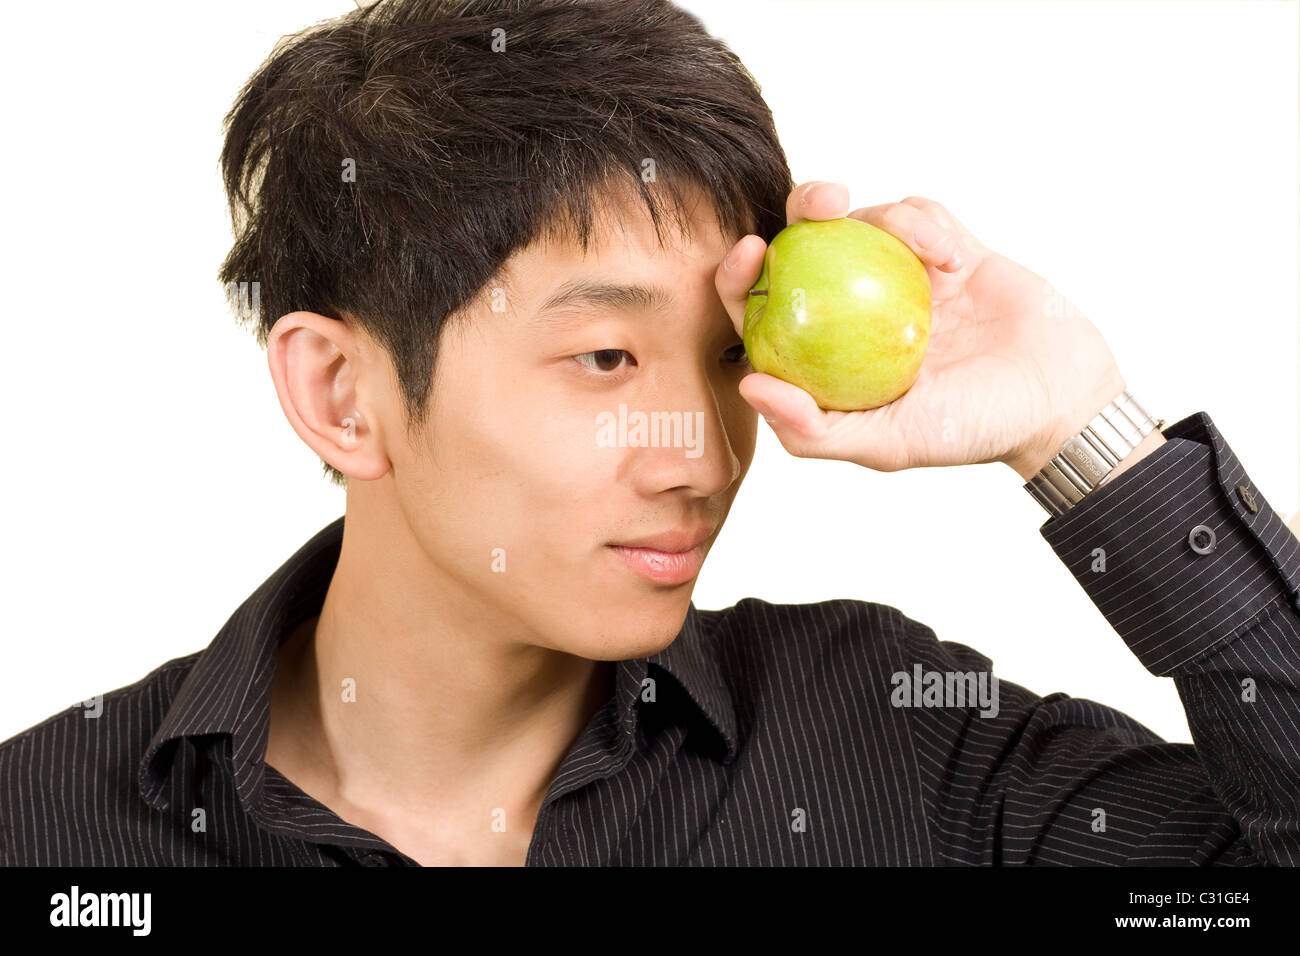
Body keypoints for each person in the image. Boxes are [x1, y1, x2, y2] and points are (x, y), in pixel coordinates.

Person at [2, 0, 1297, 867]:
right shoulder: (53, 831)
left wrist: (1083, 432)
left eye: (731, 357)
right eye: (606, 357)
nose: (703, 454)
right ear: (344, 395)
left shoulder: (889, 738)